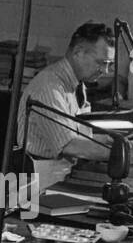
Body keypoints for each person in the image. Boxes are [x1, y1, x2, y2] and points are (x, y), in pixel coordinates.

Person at [18, 22, 119, 161]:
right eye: (101, 62)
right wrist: (123, 155)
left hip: (60, 169)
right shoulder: (49, 86)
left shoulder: (78, 84)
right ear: (78, 52)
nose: (105, 70)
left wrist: (103, 140)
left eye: (109, 64)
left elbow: (73, 133)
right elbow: (69, 145)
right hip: (40, 175)